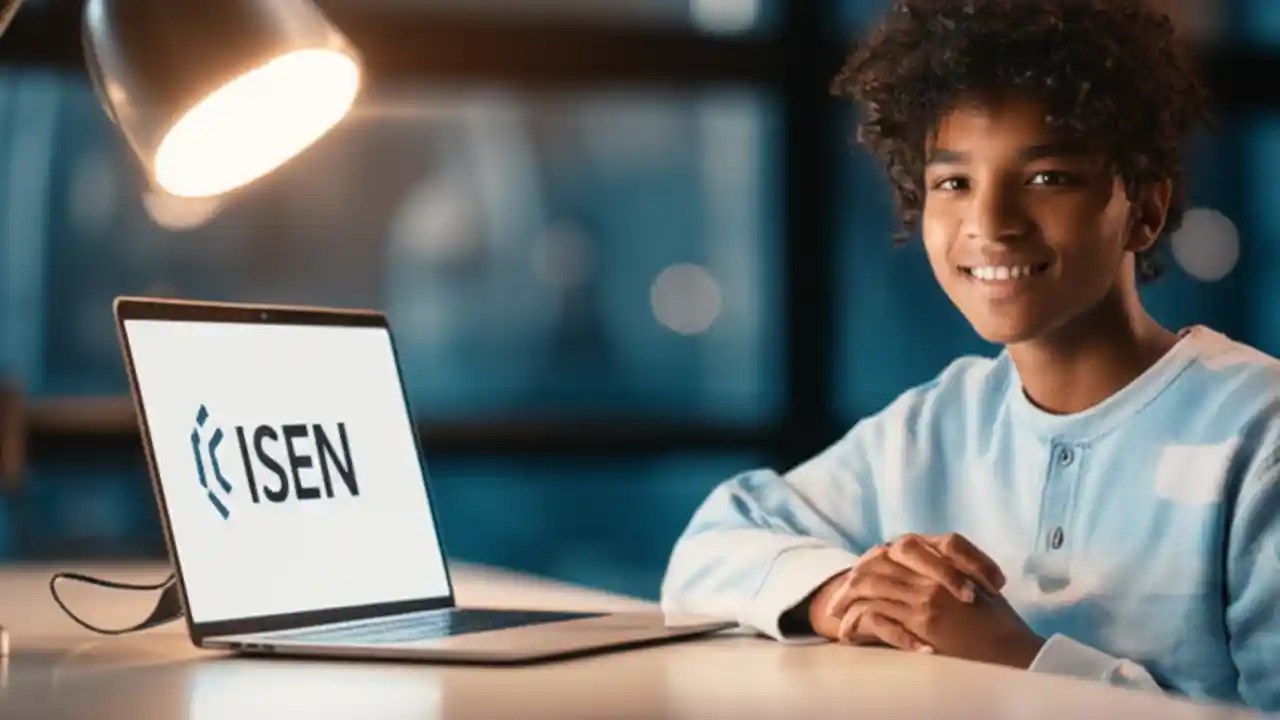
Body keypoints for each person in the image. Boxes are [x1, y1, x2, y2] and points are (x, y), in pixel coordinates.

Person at [660, 0, 1279, 711]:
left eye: (1048, 178)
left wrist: (1016, 660)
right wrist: (844, 592)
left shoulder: (1259, 433)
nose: (990, 225)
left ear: (1144, 210)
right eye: (953, 183)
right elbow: (711, 545)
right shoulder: (936, 426)